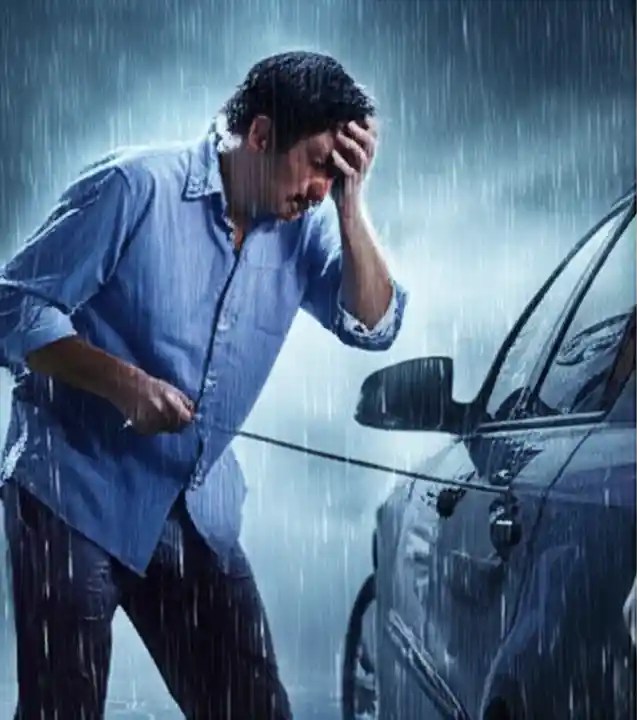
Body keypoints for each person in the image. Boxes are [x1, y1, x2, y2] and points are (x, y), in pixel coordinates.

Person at [0, 50, 407, 718]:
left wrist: (352, 204)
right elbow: (13, 305)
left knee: (252, 708)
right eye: (318, 164)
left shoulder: (306, 229)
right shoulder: (134, 187)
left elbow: (374, 323)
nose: (320, 189)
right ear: (262, 135)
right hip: (71, 493)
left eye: (338, 175)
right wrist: (124, 384)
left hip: (195, 512)